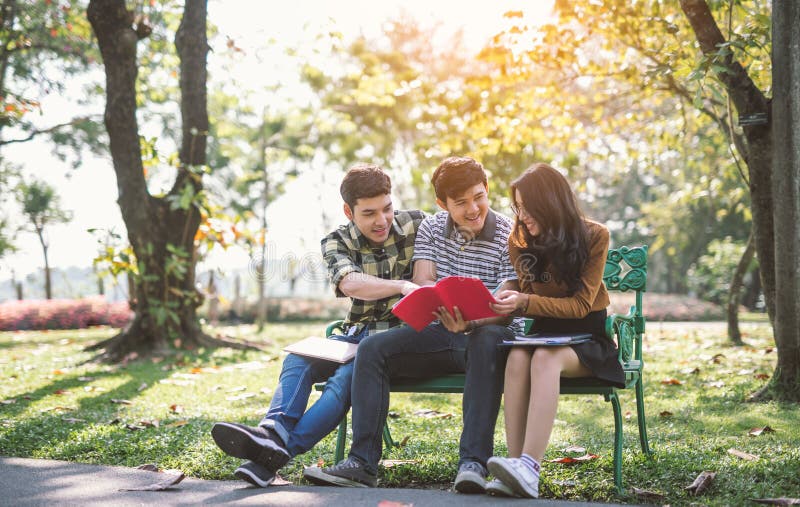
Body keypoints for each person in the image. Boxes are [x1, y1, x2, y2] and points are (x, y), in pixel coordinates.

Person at [304, 156, 522, 493]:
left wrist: (472, 320)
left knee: (485, 336)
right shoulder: (432, 228)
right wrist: (438, 306)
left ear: (487, 190)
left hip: (491, 336)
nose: (473, 209)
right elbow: (424, 282)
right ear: (442, 204)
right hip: (442, 330)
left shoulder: (509, 232)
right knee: (374, 348)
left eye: (479, 197)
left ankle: (473, 463)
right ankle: (362, 463)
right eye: (461, 203)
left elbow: (506, 303)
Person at [211, 164, 425, 487]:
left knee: (343, 383)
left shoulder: (416, 224)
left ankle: (278, 452)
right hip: (354, 334)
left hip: (392, 342)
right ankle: (272, 431)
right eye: (369, 213)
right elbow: (350, 283)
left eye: (387, 208)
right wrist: (401, 286)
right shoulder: (335, 241)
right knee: (297, 359)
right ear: (348, 211)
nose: (381, 220)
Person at [485, 163, 625, 498]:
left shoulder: (594, 236)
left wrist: (524, 301)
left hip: (587, 336)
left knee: (545, 359)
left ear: (550, 202)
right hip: (544, 331)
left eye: (527, 207)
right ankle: (515, 466)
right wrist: (509, 298)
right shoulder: (520, 242)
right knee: (517, 356)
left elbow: (579, 306)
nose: (522, 216)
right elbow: (528, 292)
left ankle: (530, 468)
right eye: (516, 208)